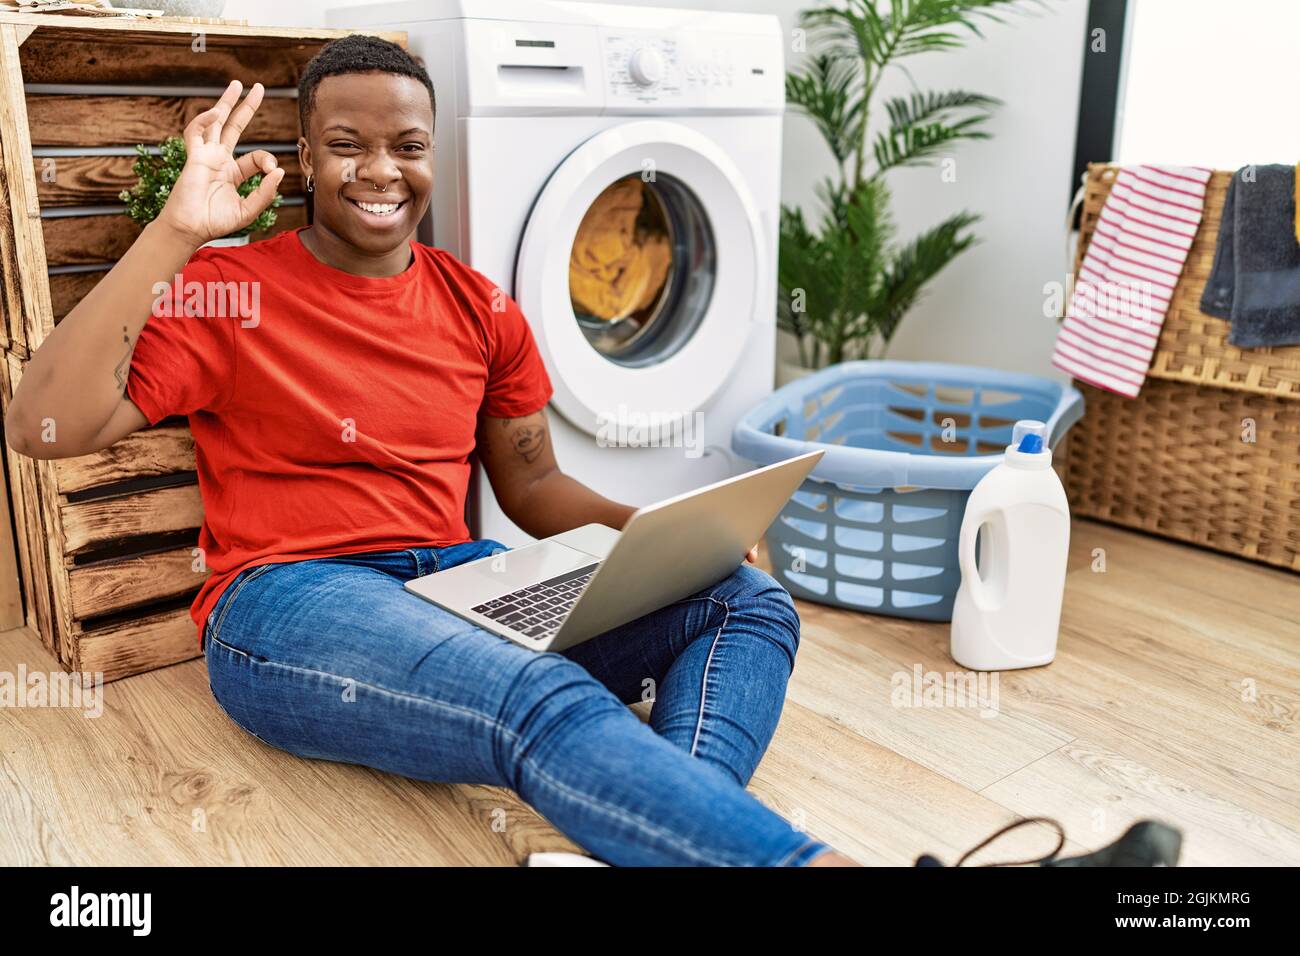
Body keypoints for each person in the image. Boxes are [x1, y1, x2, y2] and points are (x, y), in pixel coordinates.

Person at [6, 36, 1178, 869]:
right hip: (288, 608)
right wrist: (174, 229)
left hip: (459, 579)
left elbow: (532, 488)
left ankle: (663, 835)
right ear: (305, 157)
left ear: (432, 151)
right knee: (540, 695)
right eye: (344, 144)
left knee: (752, 602)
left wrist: (677, 544)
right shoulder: (228, 289)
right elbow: (41, 426)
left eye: (404, 143)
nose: (378, 169)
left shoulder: (479, 306)